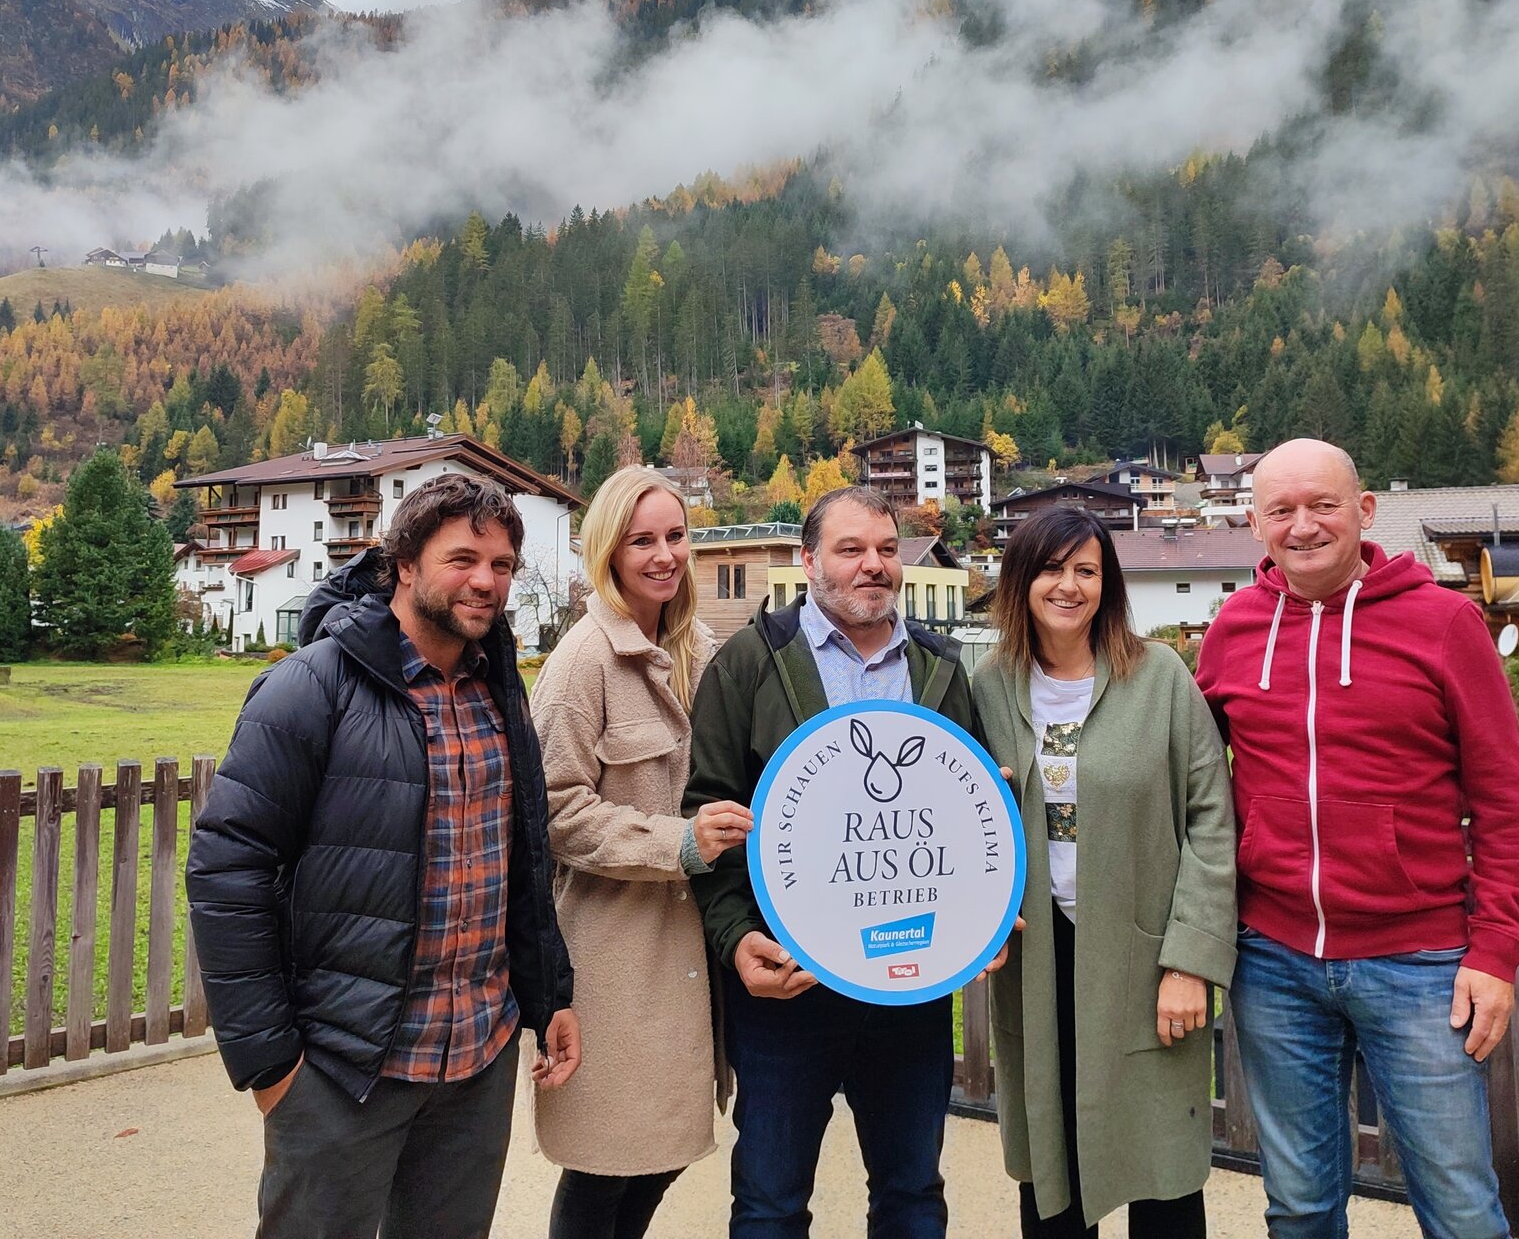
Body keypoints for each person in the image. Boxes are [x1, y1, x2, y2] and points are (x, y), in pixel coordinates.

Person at [186, 472, 581, 1239]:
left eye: (501, 565)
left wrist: (549, 996)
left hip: (478, 1059)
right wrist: (272, 1067)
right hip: (345, 1068)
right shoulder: (310, 687)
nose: (486, 581)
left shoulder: (500, 693)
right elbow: (227, 867)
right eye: (462, 559)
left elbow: (522, 862)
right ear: (403, 564)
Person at [1195, 439, 1519, 1239]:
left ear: (1365, 511)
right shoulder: (1235, 628)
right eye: (1282, 510)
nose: (1304, 526)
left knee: (1459, 1207)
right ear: (1255, 524)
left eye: (1323, 505)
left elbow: (1501, 797)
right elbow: (1183, 770)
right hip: (1273, 959)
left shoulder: (1445, 623)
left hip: (1420, 964)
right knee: (1299, 1206)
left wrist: (1497, 951)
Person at [681, 484, 980, 1239]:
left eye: (886, 550)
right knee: (771, 1204)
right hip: (788, 987)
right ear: (810, 561)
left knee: (913, 1195)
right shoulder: (750, 663)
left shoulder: (940, 666)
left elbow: (972, 822)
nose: (873, 565)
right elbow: (710, 816)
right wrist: (735, 939)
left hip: (907, 987)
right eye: (851, 550)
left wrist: (982, 917)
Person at [973, 507, 1236, 1239]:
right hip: (1039, 960)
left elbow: (1212, 820)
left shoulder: (1160, 679)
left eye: (1086, 570)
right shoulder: (990, 686)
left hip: (1143, 955)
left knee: (1161, 1167)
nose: (1069, 585)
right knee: (1052, 1166)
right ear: (1021, 581)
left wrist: (1190, 961)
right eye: (1051, 569)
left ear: (1107, 584)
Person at [532, 466, 751, 1239]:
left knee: (659, 1154)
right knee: (603, 1163)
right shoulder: (582, 660)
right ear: (608, 551)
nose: (664, 555)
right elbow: (555, 812)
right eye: (642, 541)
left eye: (675, 536)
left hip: (690, 947)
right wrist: (678, 842)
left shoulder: (698, 648)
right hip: (612, 957)